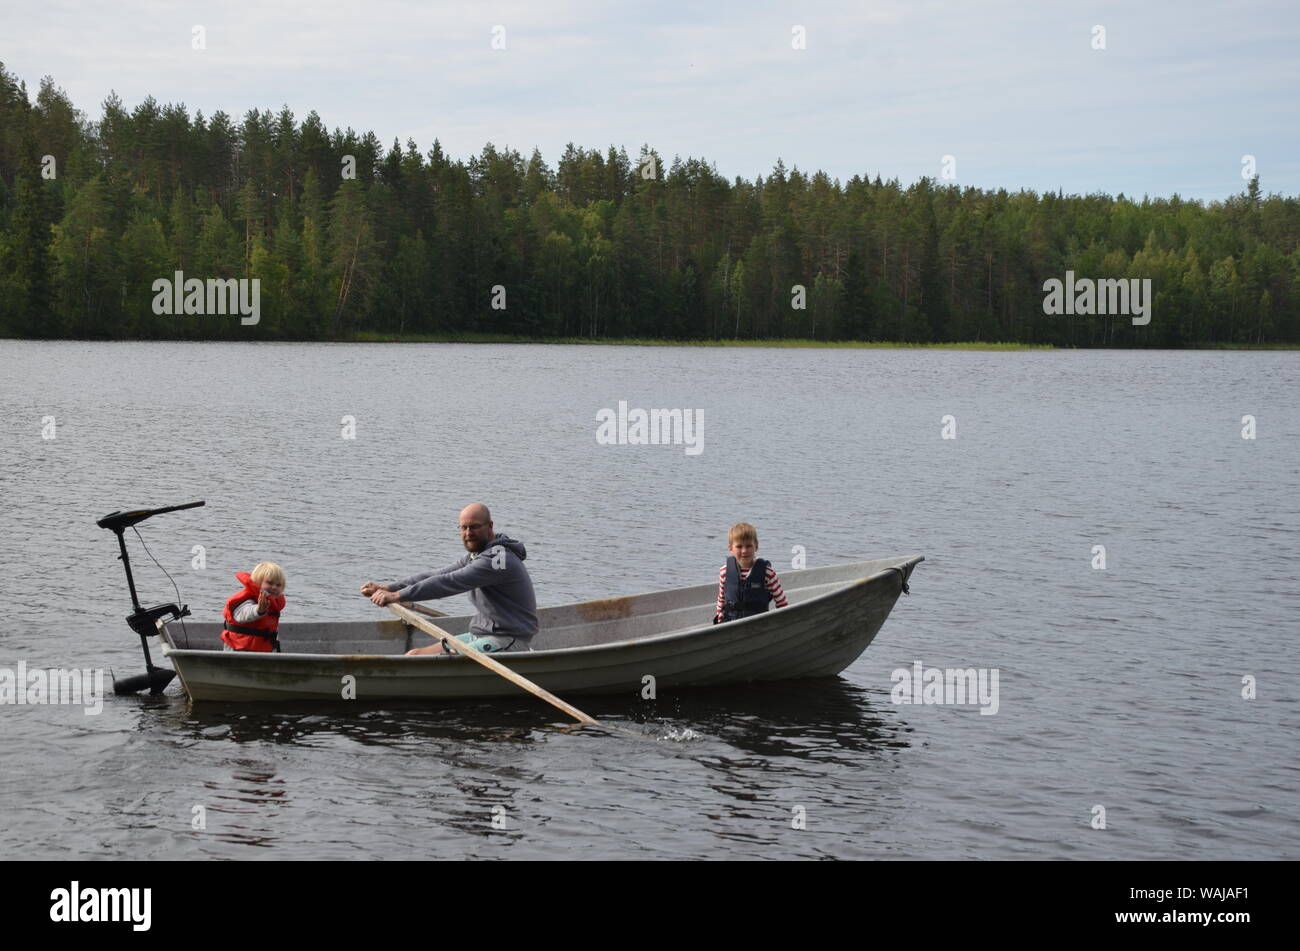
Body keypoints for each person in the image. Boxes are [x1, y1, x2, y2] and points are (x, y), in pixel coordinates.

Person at [361, 503, 539, 655]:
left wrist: (397, 596)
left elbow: (449, 582)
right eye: (464, 528)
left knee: (424, 663)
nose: (468, 533)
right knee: (414, 655)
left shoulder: (497, 560)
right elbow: (437, 575)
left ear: (490, 526)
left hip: (507, 641)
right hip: (481, 635)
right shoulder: (479, 555)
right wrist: (388, 588)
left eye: (474, 527)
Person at [713, 522, 789, 624]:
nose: (744, 551)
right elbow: (721, 599)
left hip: (758, 624)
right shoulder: (724, 572)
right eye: (739, 547)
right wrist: (719, 620)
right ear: (730, 548)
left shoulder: (768, 573)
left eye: (749, 546)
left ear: (756, 547)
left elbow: (781, 602)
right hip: (730, 624)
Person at [221, 562, 287, 652]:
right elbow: (243, 614)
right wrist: (258, 610)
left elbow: (271, 631)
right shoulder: (246, 599)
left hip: (262, 650)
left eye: (278, 585)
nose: (274, 587)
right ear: (258, 583)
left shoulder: (273, 603)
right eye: (270, 583)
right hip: (239, 649)